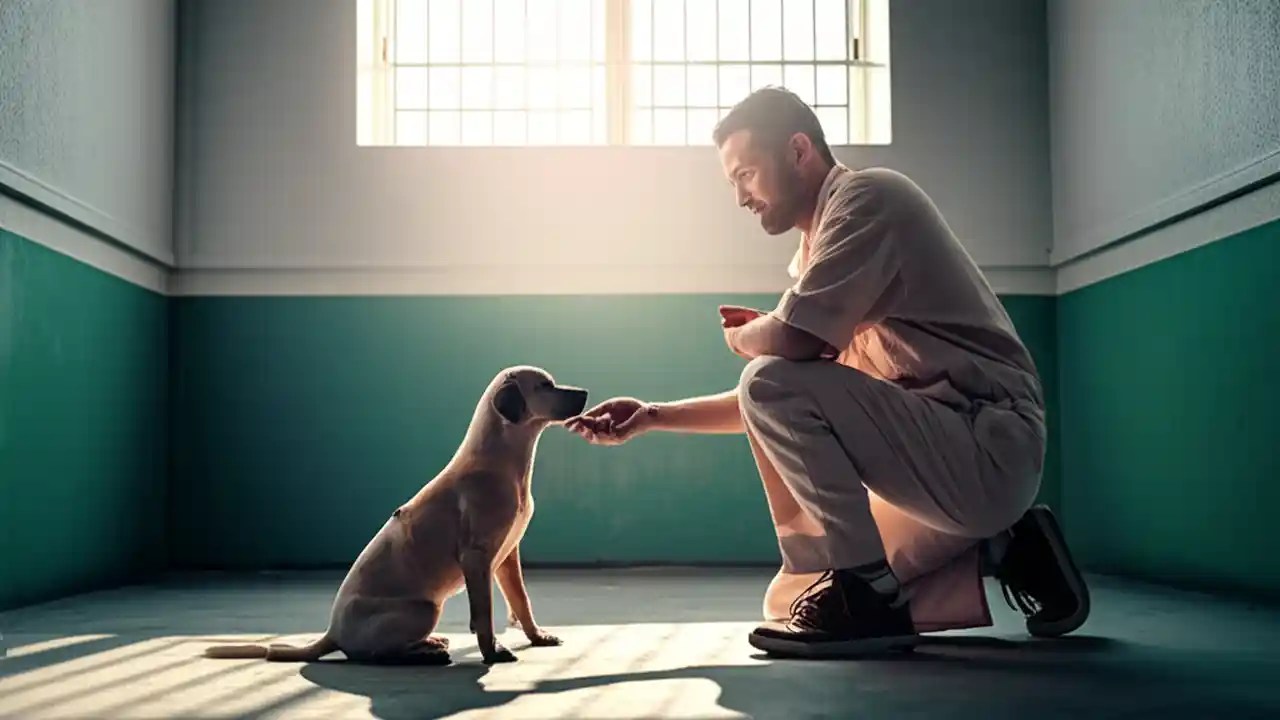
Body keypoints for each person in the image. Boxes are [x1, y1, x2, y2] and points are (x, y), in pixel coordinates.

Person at [565, 86, 1089, 659]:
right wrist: (651, 416)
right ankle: (1009, 544)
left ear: (797, 151)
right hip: (941, 458)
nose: (740, 197)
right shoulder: (818, 253)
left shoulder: (869, 198)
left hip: (985, 446)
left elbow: (784, 357)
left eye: (746, 174)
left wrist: (748, 334)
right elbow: (783, 402)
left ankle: (872, 594)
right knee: (791, 598)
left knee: (771, 380)